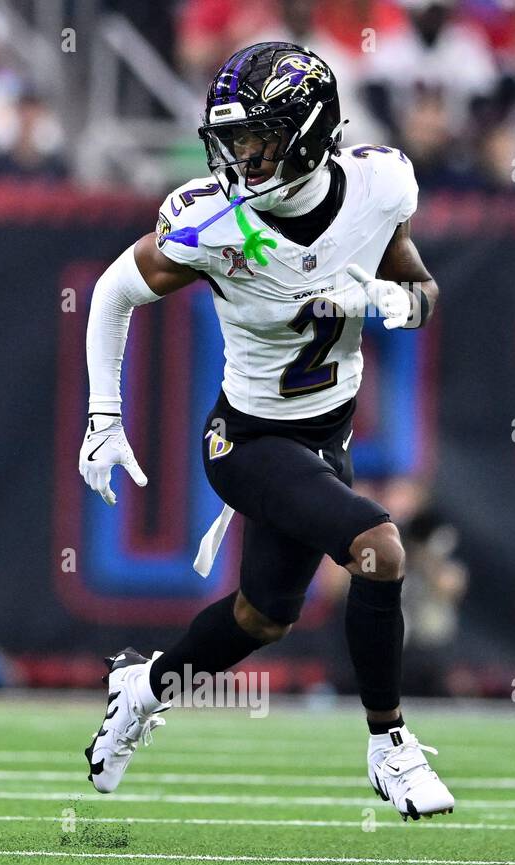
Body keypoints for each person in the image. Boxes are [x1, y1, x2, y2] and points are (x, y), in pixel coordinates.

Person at [77, 42, 454, 822]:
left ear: (311, 132)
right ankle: (392, 747)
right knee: (379, 548)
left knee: (262, 619)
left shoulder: (378, 188)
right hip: (245, 442)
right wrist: (103, 417)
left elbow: (421, 290)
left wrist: (389, 303)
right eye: (235, 140)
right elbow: (112, 294)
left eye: (260, 139)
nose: (242, 158)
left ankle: (142, 688)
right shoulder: (217, 223)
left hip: (324, 442)